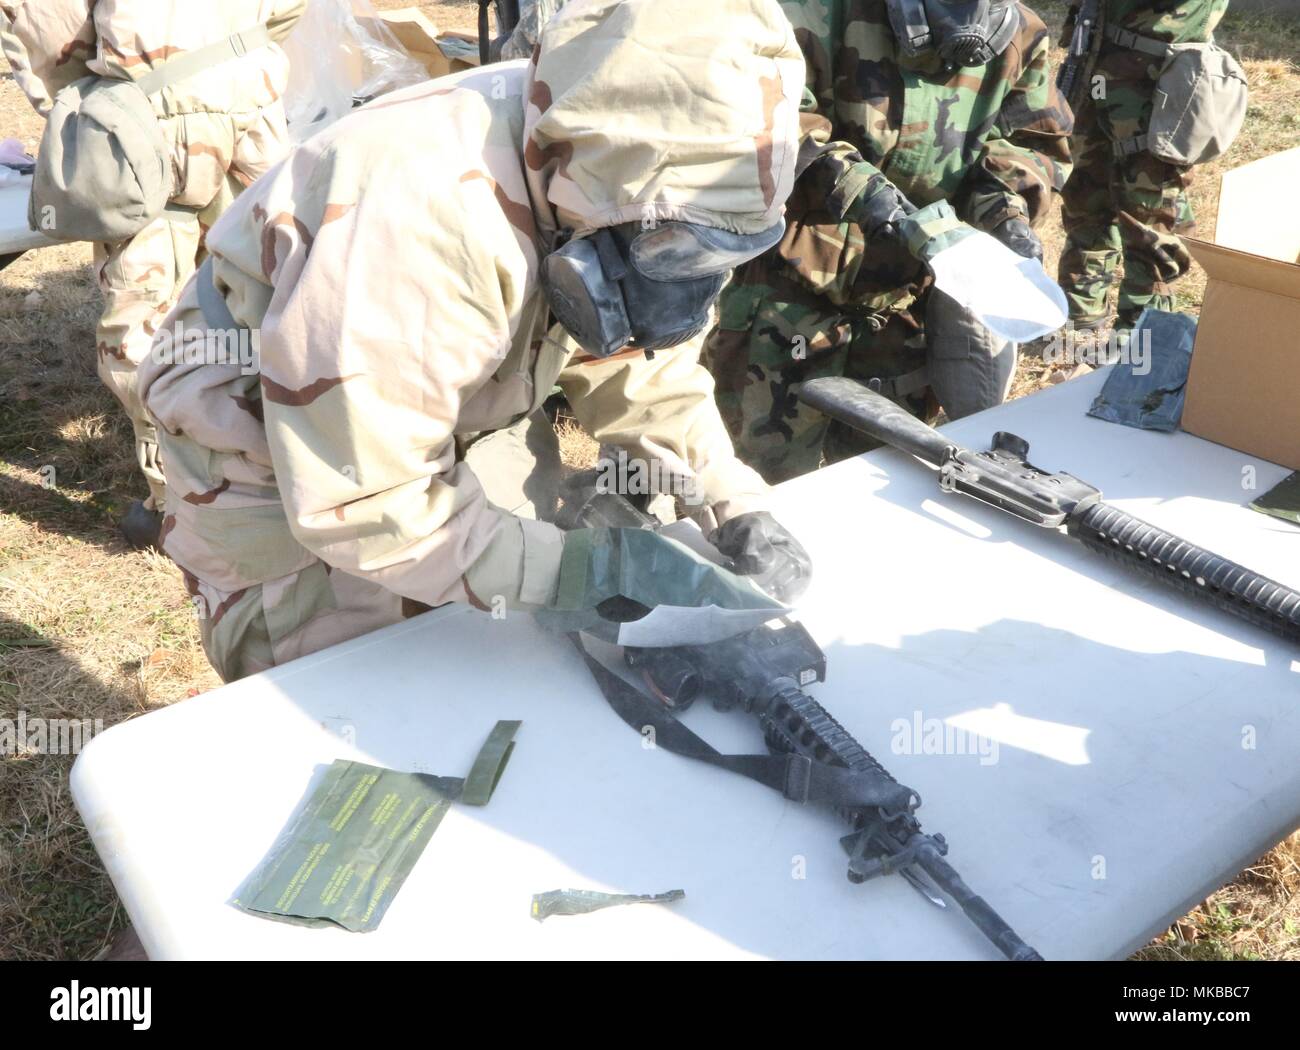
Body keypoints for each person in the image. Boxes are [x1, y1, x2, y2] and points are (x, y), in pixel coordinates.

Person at [138, 0, 814, 682]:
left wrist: (734, 501)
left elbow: (639, 366)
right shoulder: (418, 223)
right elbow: (365, 502)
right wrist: (588, 569)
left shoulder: (614, 171)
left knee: (496, 658)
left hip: (429, 387)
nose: (688, 280)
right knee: (354, 698)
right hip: (269, 437)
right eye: (672, 249)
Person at [704, 0, 1073, 484]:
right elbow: (774, 122)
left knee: (886, 482)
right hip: (789, 294)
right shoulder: (810, 12)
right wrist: (877, 203)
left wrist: (1007, 217)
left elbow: (1028, 142)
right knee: (759, 483)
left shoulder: (1022, 33)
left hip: (910, 306)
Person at [0, 1, 306, 548]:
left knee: (142, 317)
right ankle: (285, 468)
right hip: (252, 104)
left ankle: (182, 500)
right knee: (273, 289)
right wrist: (241, 52)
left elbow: (47, 27)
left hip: (142, 117)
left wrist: (85, 101)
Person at [1057, 0, 1230, 336]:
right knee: (1084, 194)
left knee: (1149, 209)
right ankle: (1080, 317)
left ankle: (1141, 332)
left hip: (1158, 78)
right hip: (1096, 59)